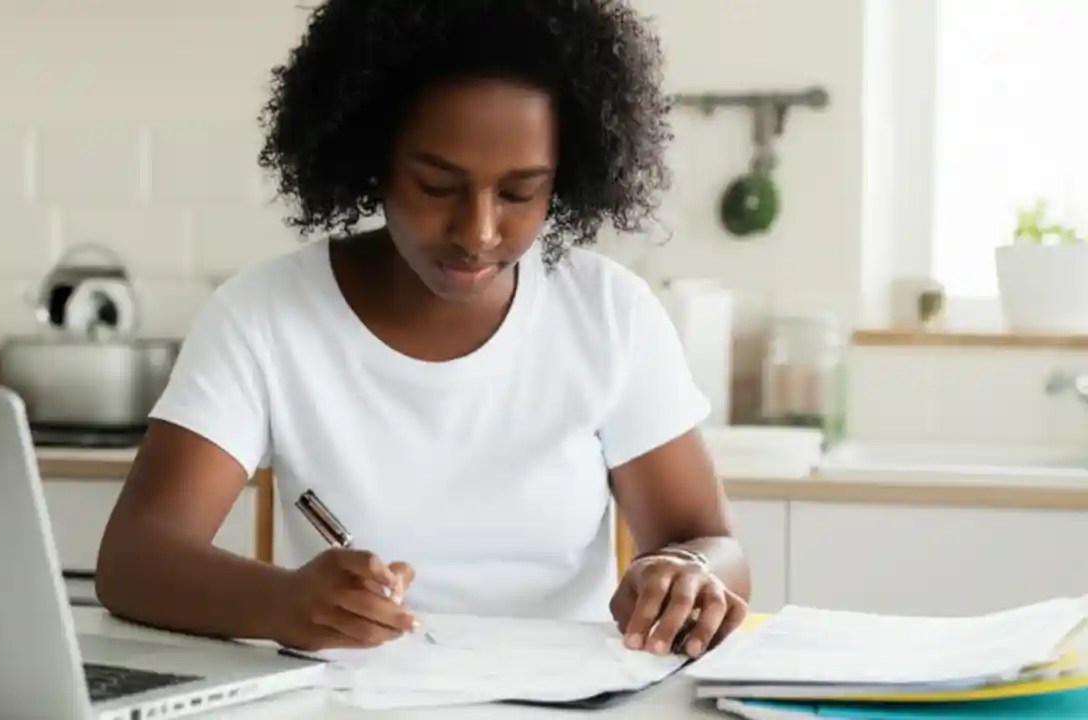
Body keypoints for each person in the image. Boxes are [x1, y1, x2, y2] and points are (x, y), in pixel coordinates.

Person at [96, 0, 751, 658]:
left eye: (521, 193)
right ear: (373, 157)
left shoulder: (611, 312)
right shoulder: (264, 316)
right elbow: (136, 558)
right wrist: (282, 602)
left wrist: (688, 574)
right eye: (437, 186)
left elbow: (714, 546)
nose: (479, 232)